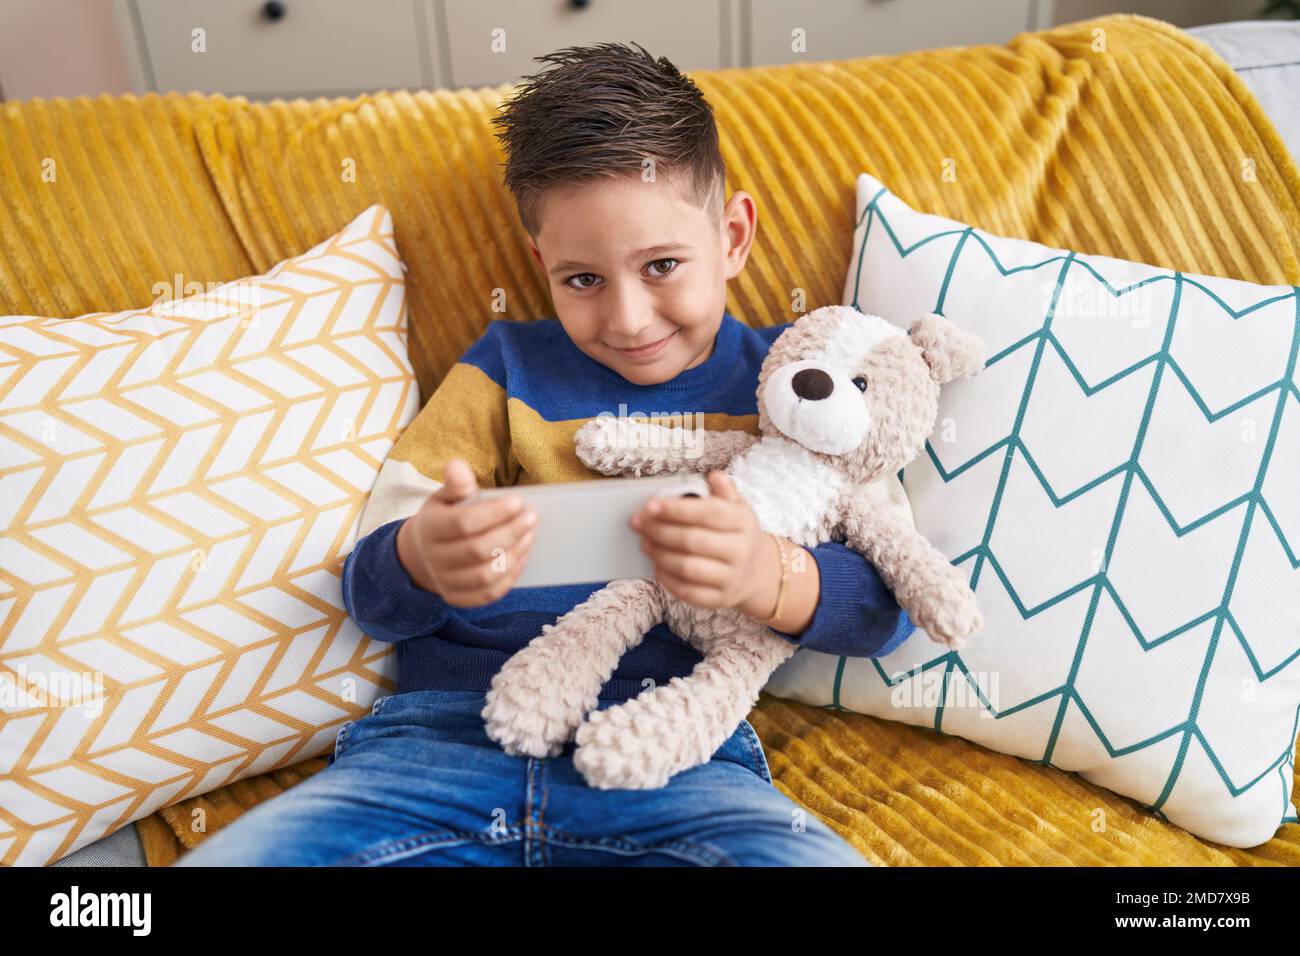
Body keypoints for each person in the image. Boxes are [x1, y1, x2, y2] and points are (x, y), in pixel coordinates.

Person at [174, 41, 917, 868]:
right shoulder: (502, 367)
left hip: (672, 756)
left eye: (663, 265)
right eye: (583, 280)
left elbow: (891, 605)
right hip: (438, 746)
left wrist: (769, 576)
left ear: (734, 236)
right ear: (541, 266)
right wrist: (422, 558)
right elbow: (369, 592)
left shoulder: (800, 384)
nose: (631, 318)